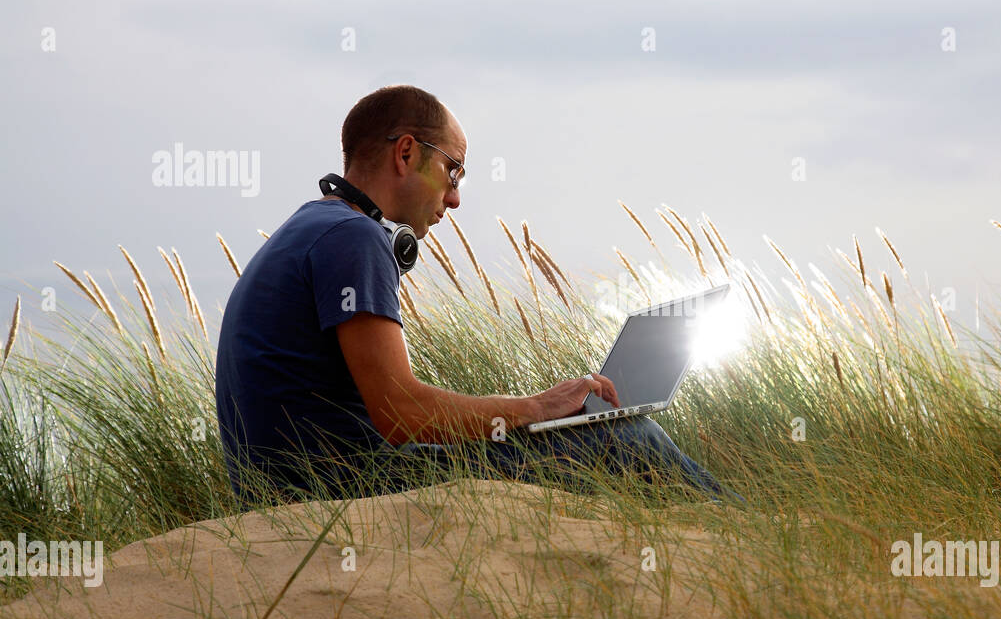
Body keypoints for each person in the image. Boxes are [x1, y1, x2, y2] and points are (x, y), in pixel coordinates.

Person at [214, 85, 733, 510]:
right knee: (628, 438)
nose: (456, 197)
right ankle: (749, 533)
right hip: (348, 494)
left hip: (293, 493)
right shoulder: (354, 238)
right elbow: (401, 413)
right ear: (406, 153)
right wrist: (537, 407)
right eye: (453, 170)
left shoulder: (310, 228)